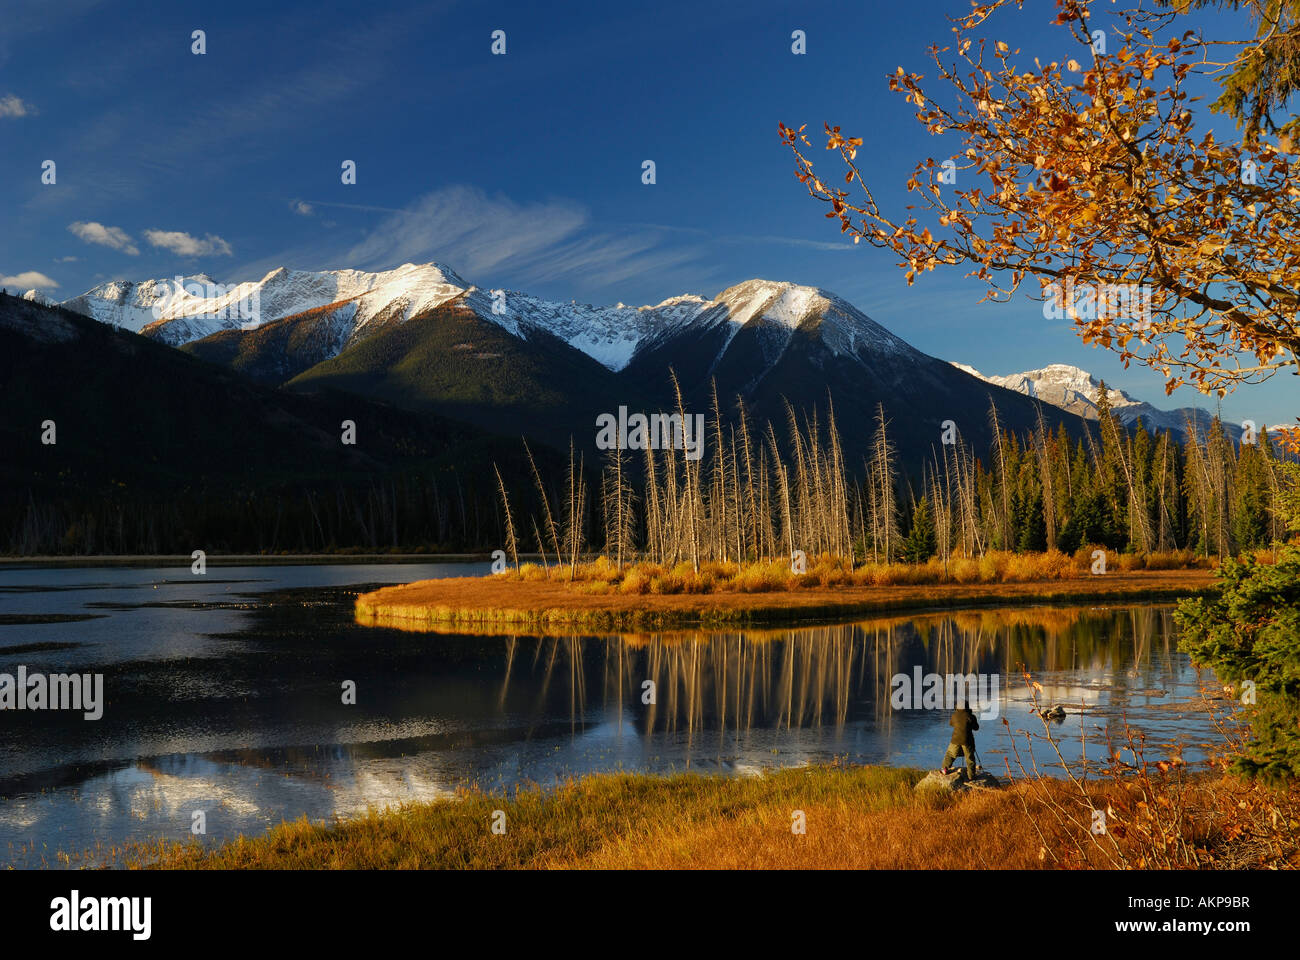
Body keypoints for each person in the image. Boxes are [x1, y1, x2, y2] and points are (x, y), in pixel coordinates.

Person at [941, 703, 980, 778]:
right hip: (967, 740)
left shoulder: (954, 716)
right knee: (969, 758)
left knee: (950, 754)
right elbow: (976, 728)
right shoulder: (971, 717)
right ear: (967, 707)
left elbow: (951, 724)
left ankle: (944, 769)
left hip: (955, 739)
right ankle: (971, 776)